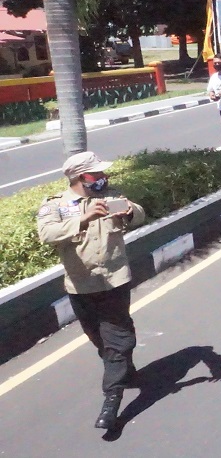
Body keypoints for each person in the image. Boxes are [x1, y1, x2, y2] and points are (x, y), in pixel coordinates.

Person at [37, 152, 146, 430]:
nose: (102, 179)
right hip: (80, 285)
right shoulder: (56, 205)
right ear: (78, 178)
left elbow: (139, 215)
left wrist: (131, 212)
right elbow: (47, 234)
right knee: (98, 338)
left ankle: (112, 400)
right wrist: (83, 220)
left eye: (102, 174)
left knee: (116, 338)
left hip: (114, 282)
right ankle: (124, 367)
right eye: (95, 175)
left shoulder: (113, 197)